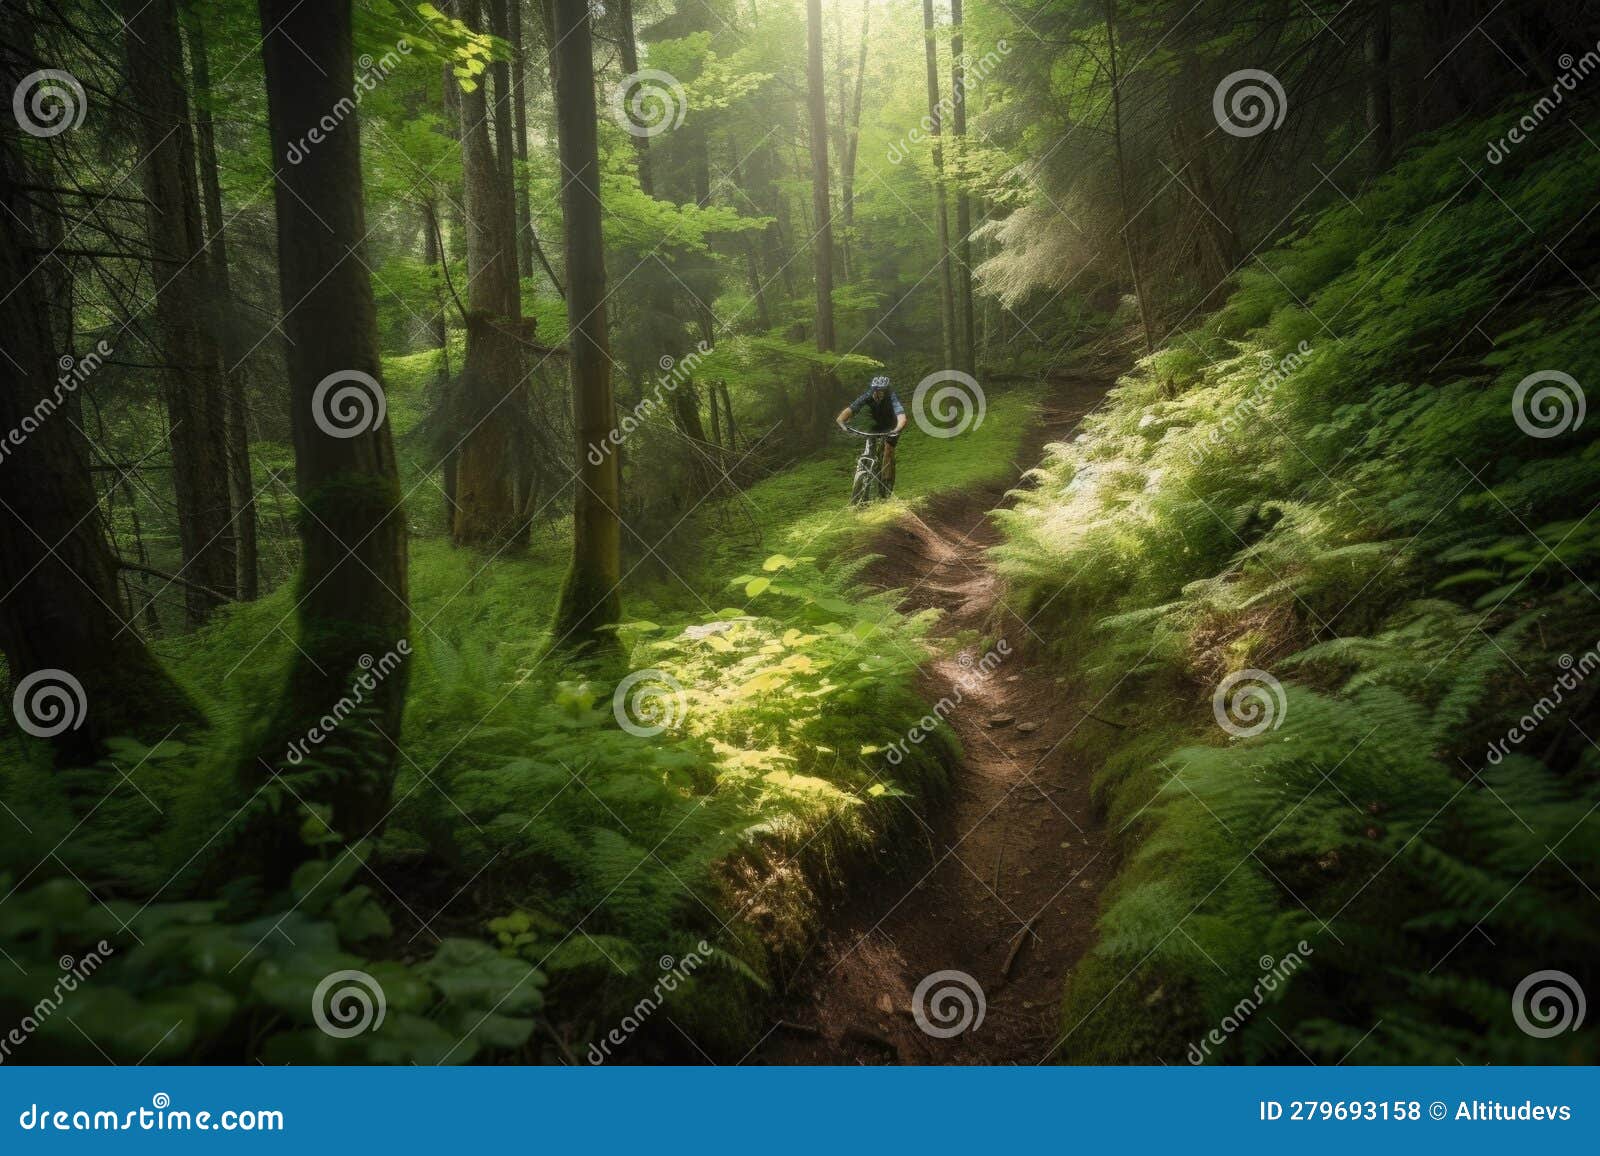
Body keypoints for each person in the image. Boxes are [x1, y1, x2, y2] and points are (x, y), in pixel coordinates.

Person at [837, 375, 908, 492]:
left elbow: (902, 417)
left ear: (886, 391)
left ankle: (886, 483)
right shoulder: (868, 395)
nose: (879, 393)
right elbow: (852, 408)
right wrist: (841, 422)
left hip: (893, 426)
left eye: (882, 391)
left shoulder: (892, 397)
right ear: (873, 390)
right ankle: (863, 473)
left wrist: (896, 429)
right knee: (869, 443)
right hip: (878, 425)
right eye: (877, 390)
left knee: (888, 450)